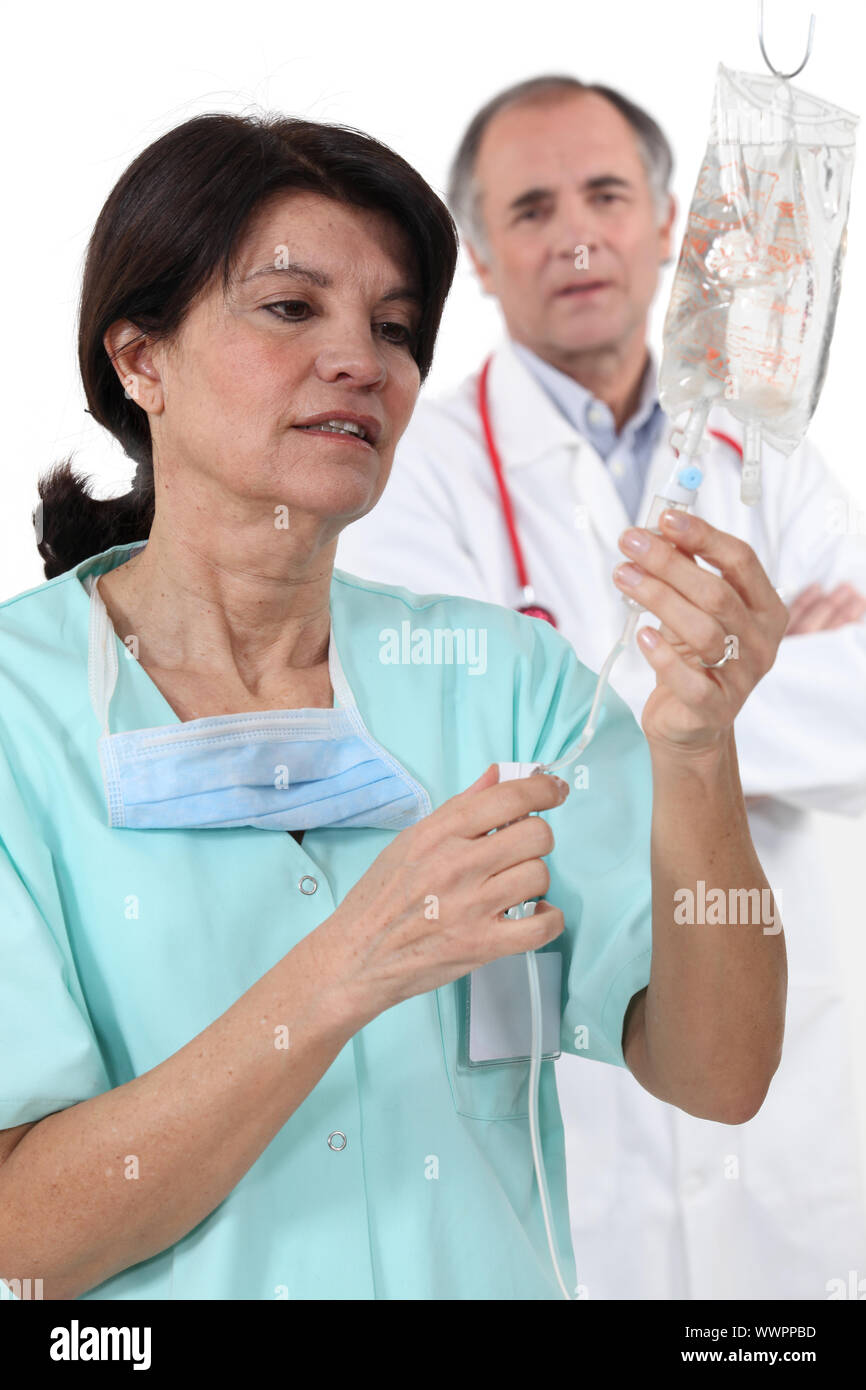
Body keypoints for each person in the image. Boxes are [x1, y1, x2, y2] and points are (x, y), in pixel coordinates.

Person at [0, 110, 786, 1303]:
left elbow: (717, 1071)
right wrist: (350, 965)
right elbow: (22, 1231)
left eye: (396, 328)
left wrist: (693, 752)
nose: (361, 361)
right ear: (137, 358)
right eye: (289, 308)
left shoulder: (506, 687)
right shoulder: (18, 713)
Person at [336, 74, 866, 1300]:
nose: (574, 234)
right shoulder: (414, 472)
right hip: (571, 1046)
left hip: (784, 1047)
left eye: (605, 194)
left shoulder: (770, 457)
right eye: (529, 207)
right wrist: (754, 661)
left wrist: (602, 681)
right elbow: (462, 750)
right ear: (476, 252)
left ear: (671, 222)